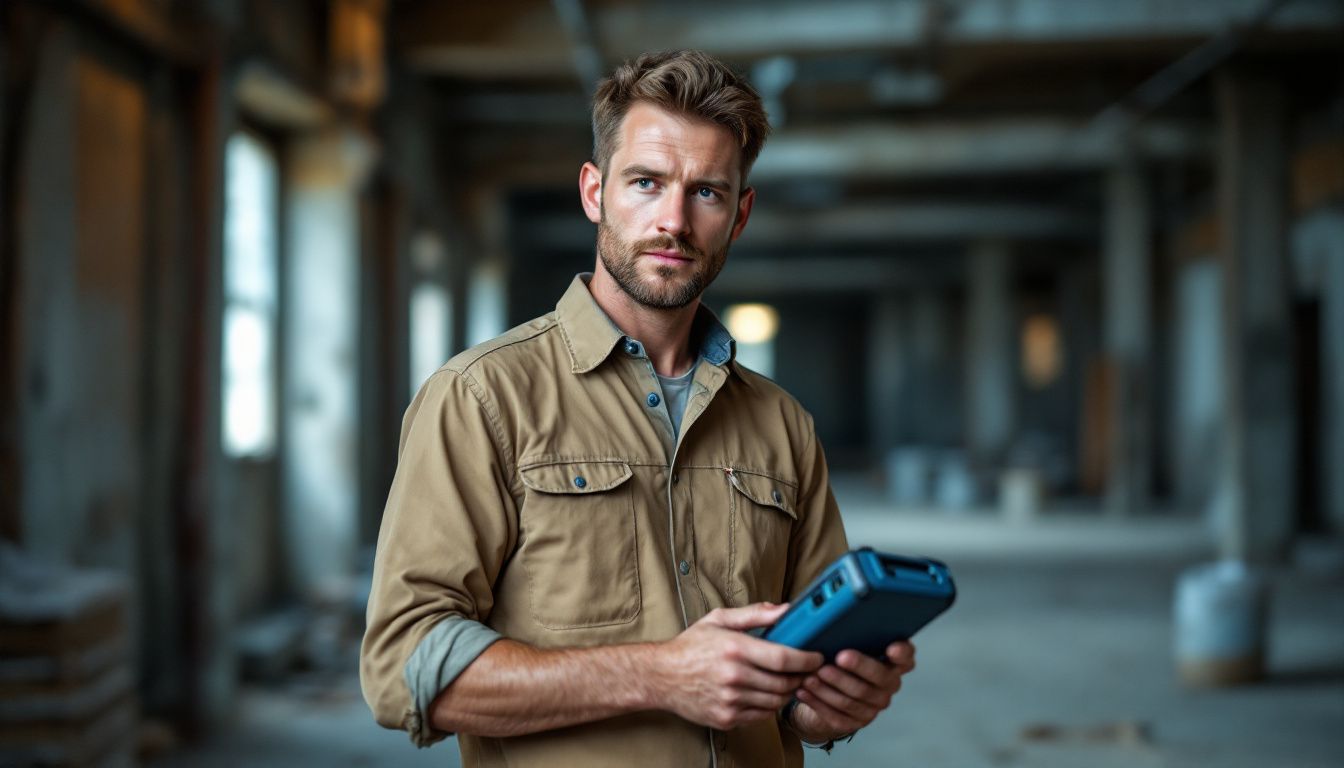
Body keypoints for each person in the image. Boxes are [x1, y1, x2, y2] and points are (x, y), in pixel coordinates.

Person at [360, 49, 915, 768]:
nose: (674, 221)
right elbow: (403, 668)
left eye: (707, 193)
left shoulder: (782, 425)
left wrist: (833, 703)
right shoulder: (481, 399)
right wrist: (659, 674)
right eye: (646, 184)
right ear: (595, 192)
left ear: (740, 215)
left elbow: (802, 684)